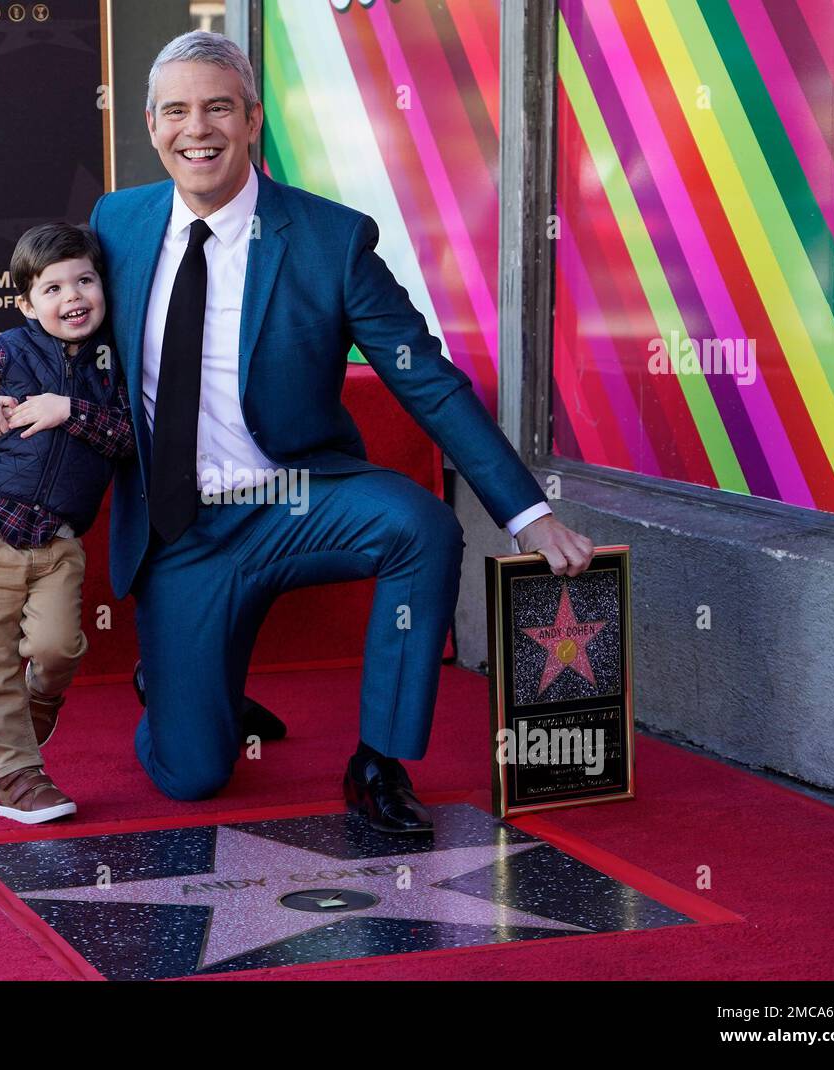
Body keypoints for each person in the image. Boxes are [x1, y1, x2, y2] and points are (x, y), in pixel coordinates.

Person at [90, 31, 595, 832]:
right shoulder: (116, 223)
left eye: (219, 108)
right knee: (192, 776)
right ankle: (185, 682)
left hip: (297, 499)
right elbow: (61, 334)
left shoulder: (330, 239)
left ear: (253, 120)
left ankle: (379, 761)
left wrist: (527, 513)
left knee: (420, 525)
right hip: (179, 531)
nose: (199, 129)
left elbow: (423, 377)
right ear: (151, 126)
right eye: (178, 111)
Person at [0, 222, 135, 823]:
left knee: (58, 646)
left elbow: (128, 439)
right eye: (52, 289)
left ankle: (42, 696)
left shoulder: (114, 361)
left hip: (58, 541)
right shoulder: (10, 350)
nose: (72, 297)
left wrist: (67, 410)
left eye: (84, 281)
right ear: (27, 303)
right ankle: (19, 782)